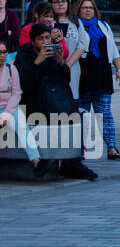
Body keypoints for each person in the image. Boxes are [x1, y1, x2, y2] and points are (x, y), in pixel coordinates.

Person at [15, 24, 93, 179]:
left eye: (47, 38)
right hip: (32, 103)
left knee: (79, 114)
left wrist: (61, 62)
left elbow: (64, 80)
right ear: (32, 41)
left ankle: (73, 163)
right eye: (40, 39)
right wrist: (37, 62)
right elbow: (25, 85)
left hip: (52, 100)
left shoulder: (52, 54)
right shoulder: (24, 55)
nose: (44, 42)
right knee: (62, 116)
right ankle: (65, 162)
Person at [73, 0, 120, 160]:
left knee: (105, 113)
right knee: (83, 113)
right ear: (78, 10)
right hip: (83, 77)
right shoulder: (76, 26)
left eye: (91, 7)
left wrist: (119, 69)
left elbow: (113, 49)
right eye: (84, 7)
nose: (88, 10)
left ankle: (111, 147)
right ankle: (80, 149)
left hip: (102, 75)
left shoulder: (103, 26)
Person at [2, 37, 55, 174]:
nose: (2, 55)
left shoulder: (10, 68)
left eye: (4, 52)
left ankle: (36, 161)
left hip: (9, 107)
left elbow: (16, 92)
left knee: (22, 126)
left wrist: (7, 112)